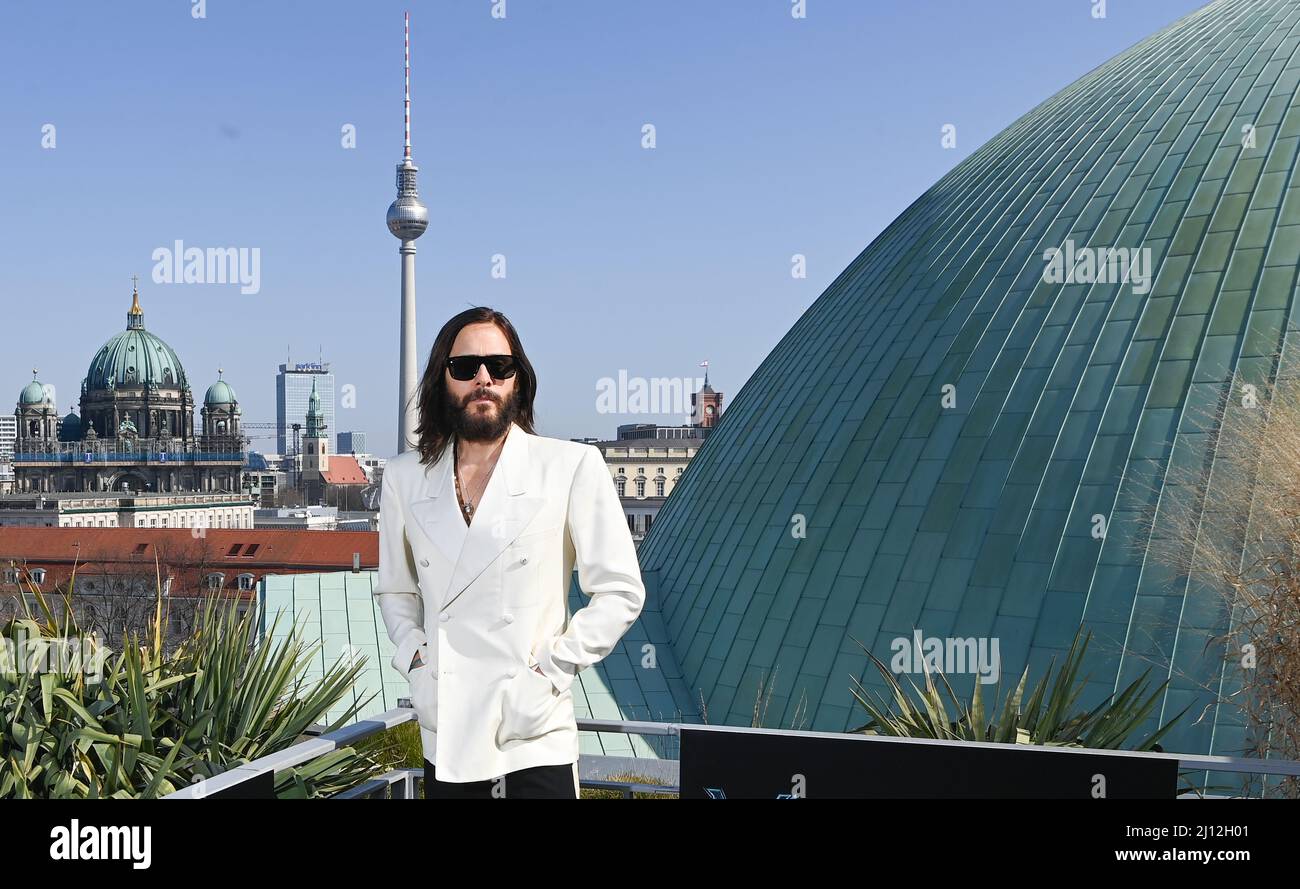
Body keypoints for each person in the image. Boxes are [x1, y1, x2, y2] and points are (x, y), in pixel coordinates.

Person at [373, 306, 646, 798]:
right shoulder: (403, 478)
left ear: (517, 379)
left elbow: (621, 591)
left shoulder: (569, 466)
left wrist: (552, 671)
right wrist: (416, 663)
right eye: (465, 367)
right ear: (443, 379)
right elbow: (395, 589)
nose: (484, 378)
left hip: (533, 730)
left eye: (499, 366)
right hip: (448, 726)